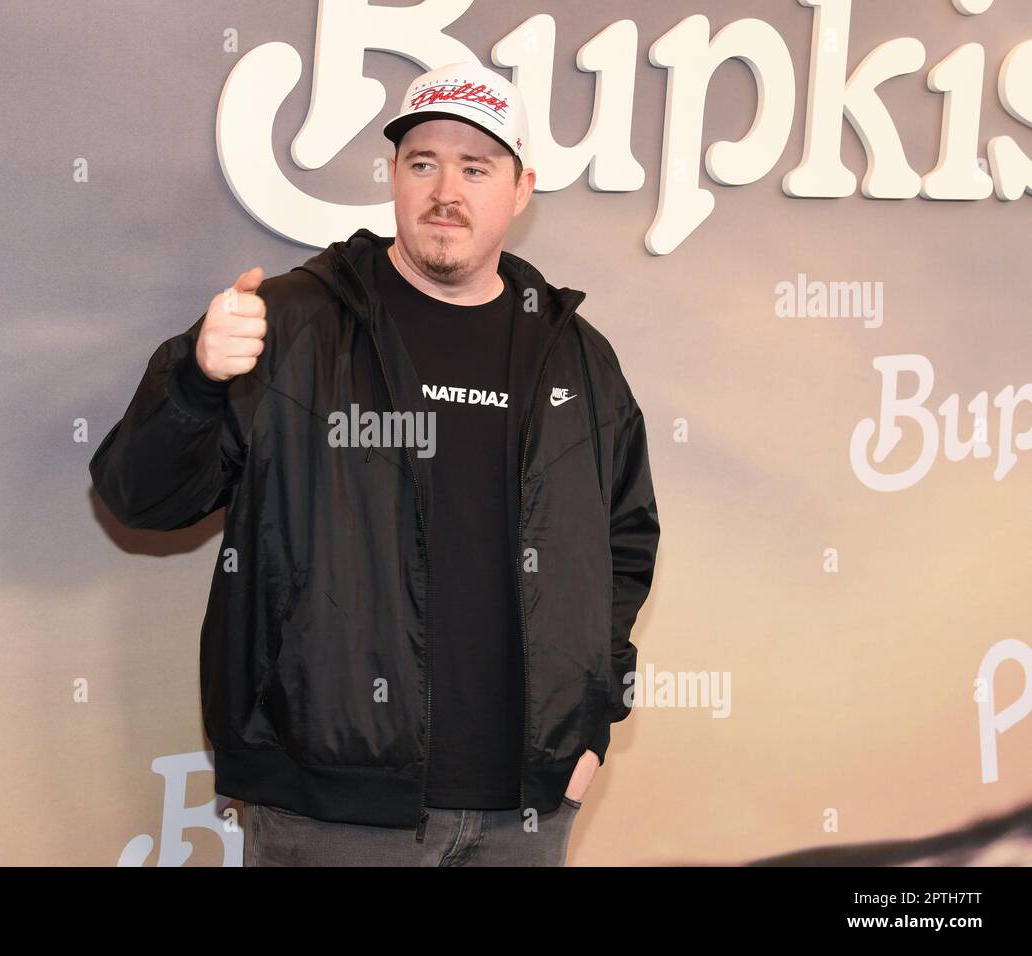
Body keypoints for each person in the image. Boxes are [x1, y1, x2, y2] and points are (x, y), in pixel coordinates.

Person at [88, 61, 660, 866]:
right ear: (392, 175)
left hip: (524, 816)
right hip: (330, 813)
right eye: (423, 163)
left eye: (476, 167)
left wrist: (591, 722)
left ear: (522, 188)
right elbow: (138, 499)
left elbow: (624, 545)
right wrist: (194, 379)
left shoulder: (577, 357)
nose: (445, 190)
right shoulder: (288, 324)